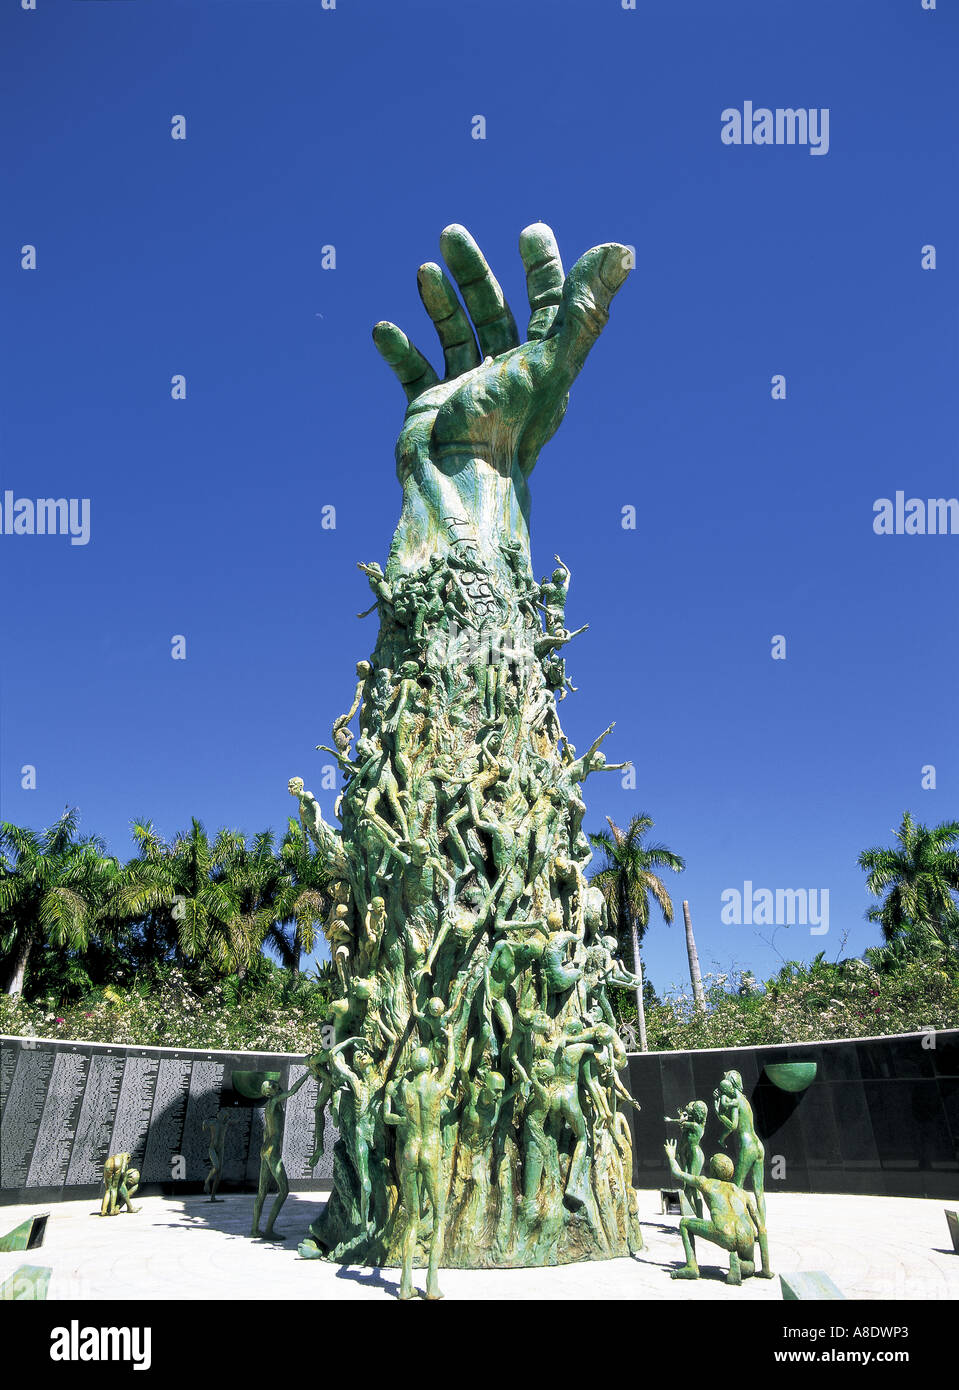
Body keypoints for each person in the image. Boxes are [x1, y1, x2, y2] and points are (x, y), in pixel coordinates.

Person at [663, 1140, 772, 1285]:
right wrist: (766, 1269)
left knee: (684, 1223)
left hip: (724, 1231)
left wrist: (671, 1155)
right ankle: (740, 1265)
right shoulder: (742, 1192)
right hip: (746, 1234)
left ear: (713, 1170)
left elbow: (677, 1173)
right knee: (749, 1265)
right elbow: (762, 1228)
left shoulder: (706, 1183)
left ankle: (692, 1266)